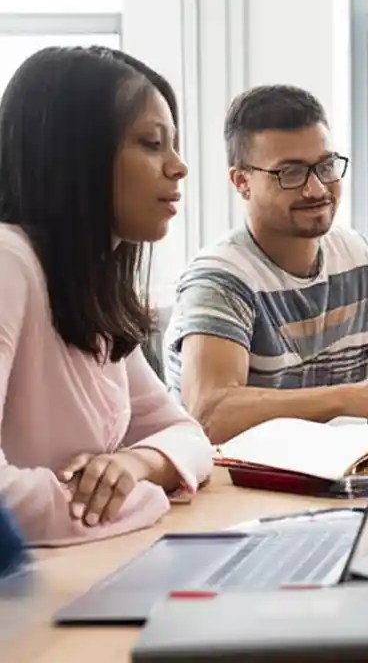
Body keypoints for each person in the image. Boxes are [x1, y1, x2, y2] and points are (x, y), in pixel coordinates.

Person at [0, 46, 214, 546]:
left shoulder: (89, 286)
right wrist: (148, 497)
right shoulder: (9, 262)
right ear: (75, 153)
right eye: (151, 143)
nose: (178, 167)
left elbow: (187, 436)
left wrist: (134, 464)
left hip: (78, 571)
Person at [164, 85, 368, 444]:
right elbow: (210, 415)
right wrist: (349, 398)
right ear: (242, 182)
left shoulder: (359, 257)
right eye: (290, 173)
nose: (317, 189)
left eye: (326, 166)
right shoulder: (220, 281)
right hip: (234, 486)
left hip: (342, 472)